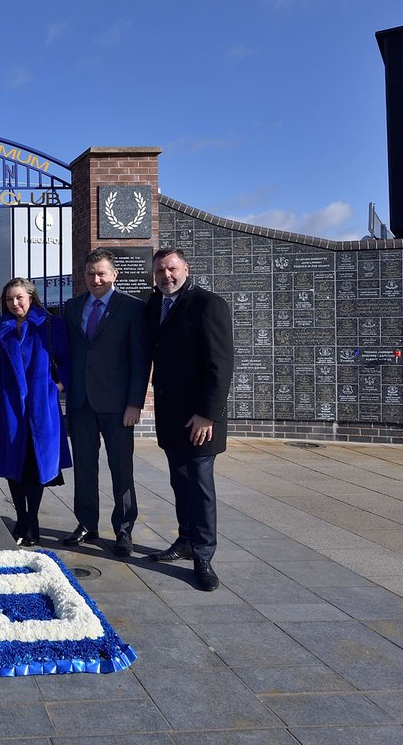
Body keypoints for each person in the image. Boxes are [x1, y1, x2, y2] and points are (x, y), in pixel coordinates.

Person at [146, 247, 234, 591]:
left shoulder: (208, 304)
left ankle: (203, 555)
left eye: (171, 269)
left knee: (200, 488)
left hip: (200, 419)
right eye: (160, 271)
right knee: (180, 482)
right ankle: (184, 540)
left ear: (186, 268)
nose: (166, 276)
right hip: (171, 416)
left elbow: (220, 365)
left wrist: (207, 415)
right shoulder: (155, 304)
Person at [61, 249, 150, 558]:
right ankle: (87, 524)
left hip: (118, 405)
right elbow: (66, 352)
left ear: (114, 274)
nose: (95, 279)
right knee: (84, 468)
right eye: (90, 274)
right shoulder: (72, 307)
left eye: (101, 273)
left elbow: (140, 360)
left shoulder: (133, 308)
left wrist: (134, 403)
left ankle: (124, 529)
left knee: (121, 469)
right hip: (81, 402)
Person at [0, 278, 72, 546]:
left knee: (34, 466)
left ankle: (32, 521)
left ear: (31, 296)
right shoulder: (0, 328)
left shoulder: (51, 325)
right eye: (9, 299)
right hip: (9, 408)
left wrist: (56, 387)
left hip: (41, 407)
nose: (14, 303)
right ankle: (20, 519)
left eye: (19, 297)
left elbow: (68, 360)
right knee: (13, 465)